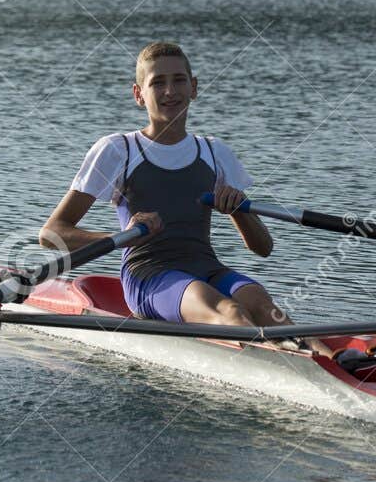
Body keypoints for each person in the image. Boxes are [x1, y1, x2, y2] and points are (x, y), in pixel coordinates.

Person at [40, 41, 291, 329]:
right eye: (158, 83)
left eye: (179, 80)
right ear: (139, 95)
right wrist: (123, 235)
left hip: (208, 268)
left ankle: (334, 358)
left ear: (194, 88)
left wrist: (238, 210)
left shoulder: (215, 152)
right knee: (231, 312)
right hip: (149, 275)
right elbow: (51, 233)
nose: (170, 91)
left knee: (263, 305)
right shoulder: (117, 150)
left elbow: (263, 248)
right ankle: (275, 362)